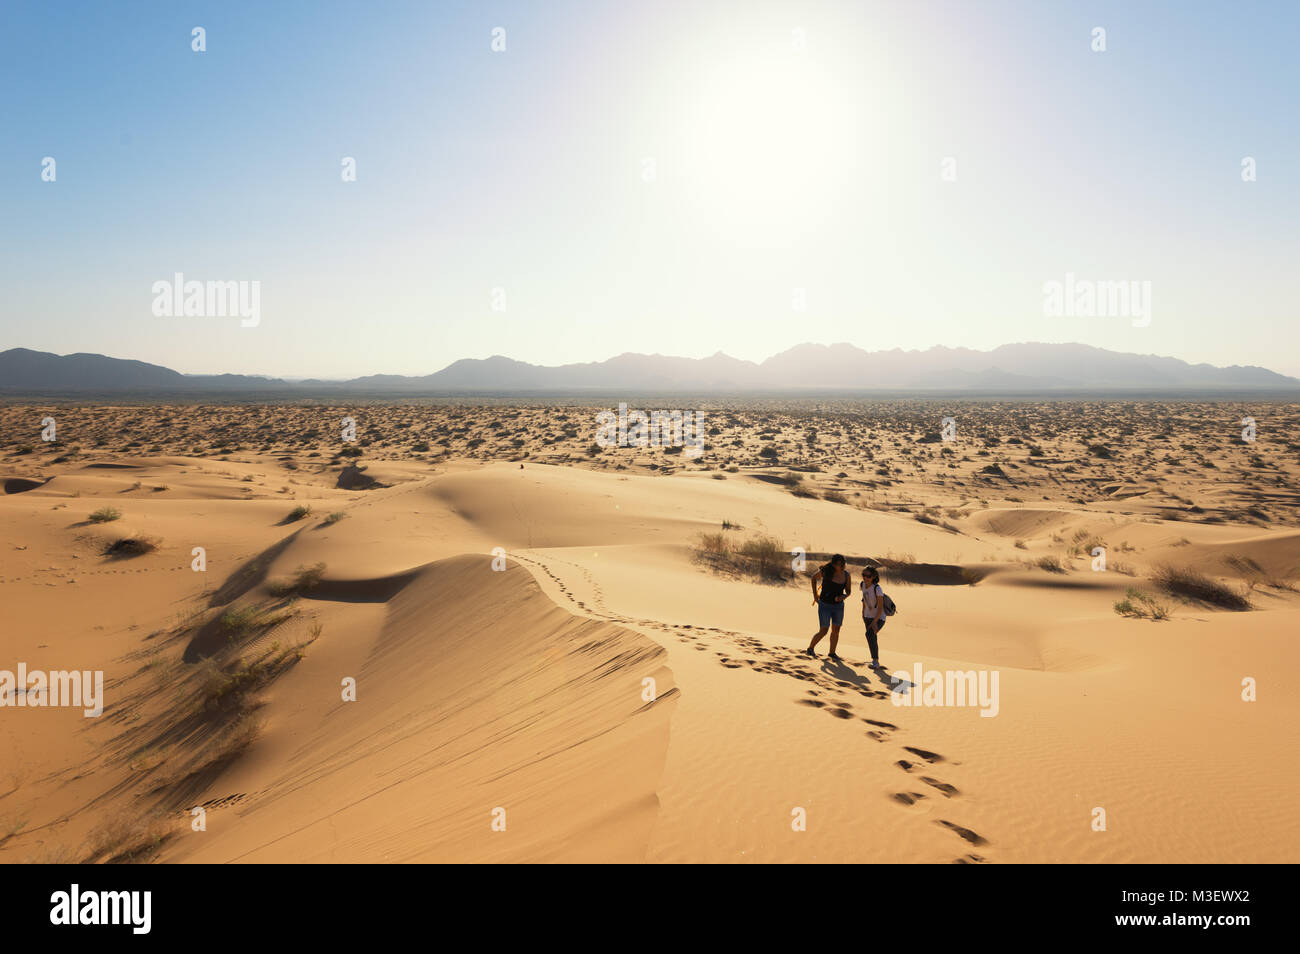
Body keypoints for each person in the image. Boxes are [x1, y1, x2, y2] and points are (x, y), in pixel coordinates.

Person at [806, 554, 849, 660]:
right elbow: (813, 578)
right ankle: (810, 648)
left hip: (838, 606)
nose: (841, 566)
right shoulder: (827, 572)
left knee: (836, 630)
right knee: (824, 630)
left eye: (842, 564)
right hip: (825, 605)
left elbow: (848, 591)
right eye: (838, 564)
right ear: (833, 564)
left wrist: (843, 596)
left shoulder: (846, 575)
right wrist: (815, 595)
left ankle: (832, 653)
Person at [861, 566, 886, 669]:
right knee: (872, 637)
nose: (866, 578)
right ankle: (875, 660)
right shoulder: (862, 584)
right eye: (864, 575)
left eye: (868, 576)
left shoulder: (877, 589)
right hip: (867, 616)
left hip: (879, 618)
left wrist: (875, 622)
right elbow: (864, 598)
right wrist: (863, 613)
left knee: (870, 634)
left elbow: (880, 608)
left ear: (873, 576)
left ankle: (875, 662)